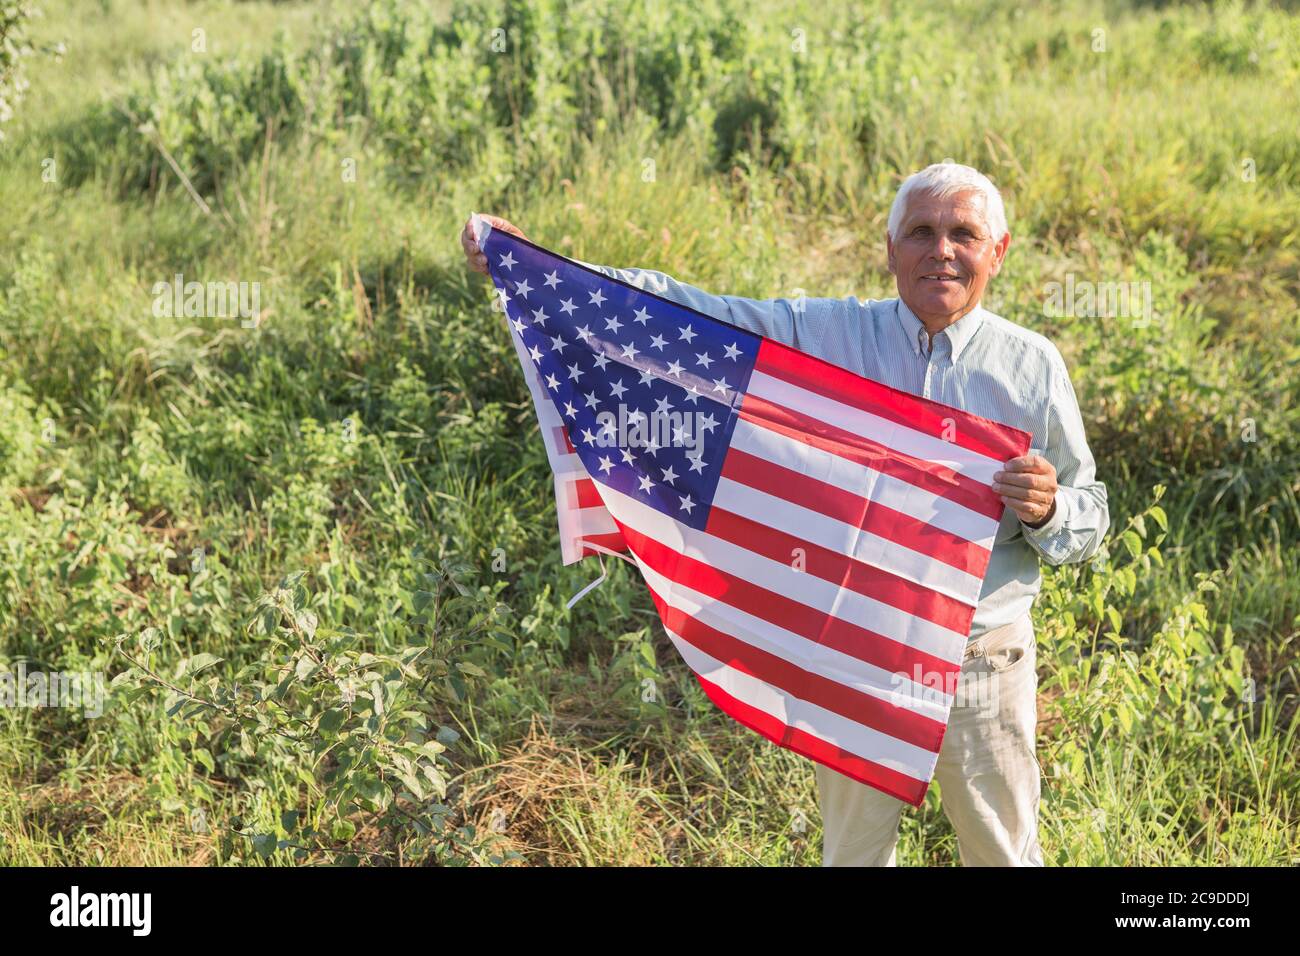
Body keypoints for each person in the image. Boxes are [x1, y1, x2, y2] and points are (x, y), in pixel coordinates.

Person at [459, 161, 1109, 866]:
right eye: (921, 232)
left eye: (964, 234)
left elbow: (1090, 517)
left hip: (984, 663)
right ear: (890, 249)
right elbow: (693, 313)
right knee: (853, 857)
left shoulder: (1031, 367)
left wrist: (1049, 508)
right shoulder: (827, 335)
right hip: (864, 659)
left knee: (1005, 856)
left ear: (998, 251)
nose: (942, 250)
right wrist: (537, 266)